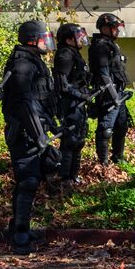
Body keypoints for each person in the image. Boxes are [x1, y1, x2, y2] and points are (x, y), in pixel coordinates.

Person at [4, 20, 58, 253]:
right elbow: (25, 104)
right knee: (28, 180)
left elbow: (41, 101)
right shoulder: (23, 65)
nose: (47, 43)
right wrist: (38, 135)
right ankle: (20, 234)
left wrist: (51, 127)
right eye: (43, 38)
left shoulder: (34, 62)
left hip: (35, 130)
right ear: (31, 40)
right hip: (25, 133)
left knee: (35, 177)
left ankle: (19, 225)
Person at [52, 23, 93, 185]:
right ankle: (64, 177)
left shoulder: (74, 53)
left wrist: (86, 93)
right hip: (69, 105)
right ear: (69, 39)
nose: (82, 39)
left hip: (78, 104)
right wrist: (80, 95)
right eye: (78, 36)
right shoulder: (65, 56)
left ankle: (73, 175)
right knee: (70, 141)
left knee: (79, 140)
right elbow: (62, 85)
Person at [89, 12, 130, 169]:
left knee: (122, 125)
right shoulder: (100, 46)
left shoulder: (112, 44)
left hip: (118, 93)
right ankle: (103, 163)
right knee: (106, 129)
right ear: (105, 28)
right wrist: (113, 96)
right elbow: (103, 74)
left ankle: (118, 157)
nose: (117, 31)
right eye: (115, 27)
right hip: (108, 94)